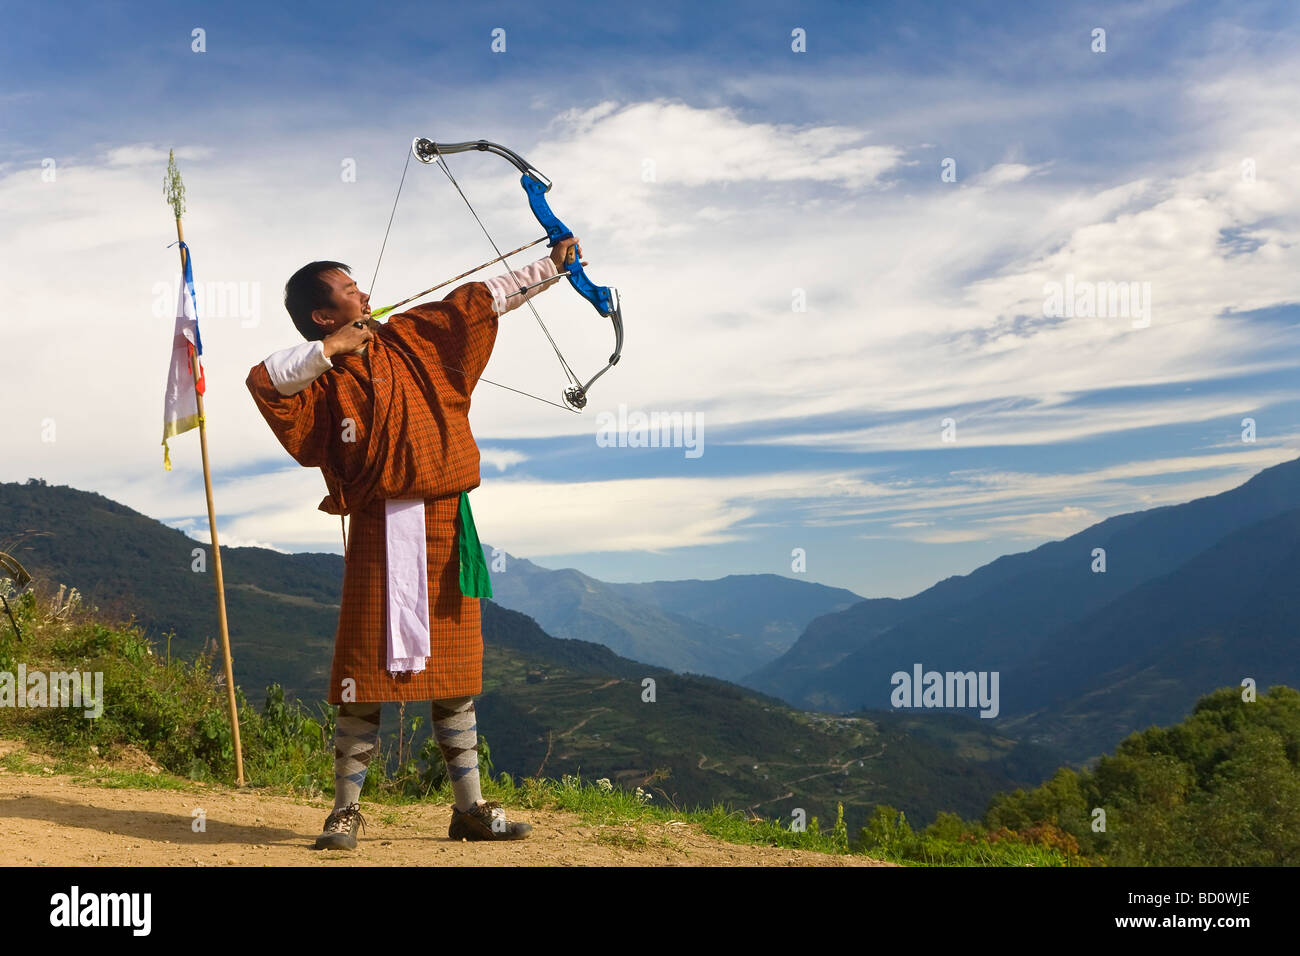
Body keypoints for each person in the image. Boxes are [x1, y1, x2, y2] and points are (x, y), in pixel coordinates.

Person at [246, 238, 580, 848]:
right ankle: (344, 813)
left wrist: (555, 267)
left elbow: (481, 301)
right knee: (362, 674)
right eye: (349, 290)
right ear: (324, 316)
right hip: (378, 527)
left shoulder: (412, 337)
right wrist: (330, 352)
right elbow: (265, 382)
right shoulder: (321, 379)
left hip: (444, 523)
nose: (364, 293)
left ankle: (469, 810)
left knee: (455, 671)